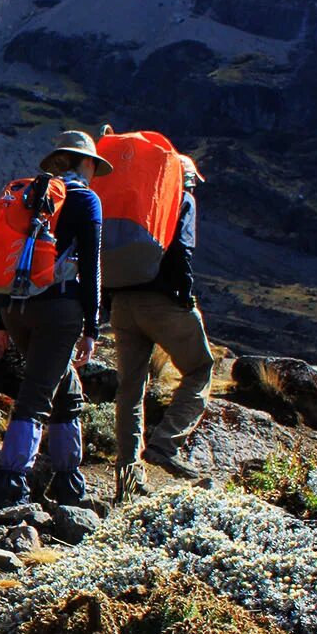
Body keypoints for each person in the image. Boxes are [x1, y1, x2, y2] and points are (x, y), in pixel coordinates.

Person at [0, 129, 104, 510]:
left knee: (64, 385)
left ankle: (69, 481)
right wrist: (92, 327)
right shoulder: (86, 200)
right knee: (37, 394)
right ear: (85, 162)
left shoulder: (27, 198)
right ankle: (11, 484)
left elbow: (3, 256)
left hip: (16, 308)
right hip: (59, 310)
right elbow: (91, 266)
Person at [109, 153, 212, 497]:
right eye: (190, 177)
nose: (194, 182)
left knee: (130, 388)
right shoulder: (181, 199)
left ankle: (128, 476)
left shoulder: (138, 204)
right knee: (200, 369)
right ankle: (165, 445)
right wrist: (184, 298)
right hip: (163, 302)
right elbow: (181, 251)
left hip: (122, 303)